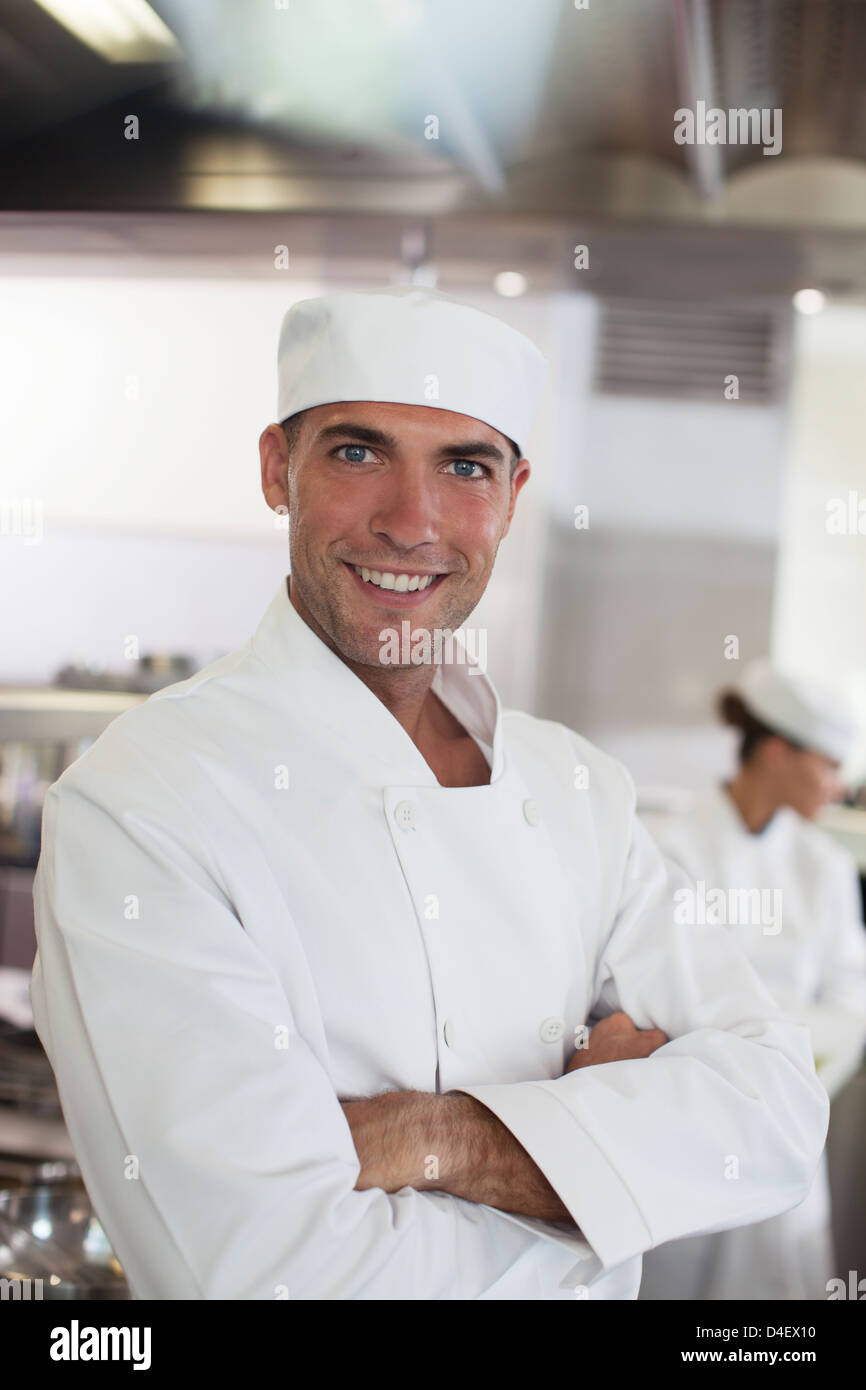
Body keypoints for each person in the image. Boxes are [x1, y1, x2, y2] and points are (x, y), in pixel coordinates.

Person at [30, 288, 828, 1301]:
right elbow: (268, 1275)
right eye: (357, 453)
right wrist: (601, 1182)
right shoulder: (142, 804)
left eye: (463, 466)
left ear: (511, 493)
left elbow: (773, 1119)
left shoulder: (578, 790)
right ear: (278, 469)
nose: (411, 523)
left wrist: (434, 1136)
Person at [639, 661, 866, 1301]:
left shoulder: (824, 867)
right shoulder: (671, 846)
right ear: (775, 752)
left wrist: (761, 1054)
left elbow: (852, 1003)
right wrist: (777, 1034)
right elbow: (661, 1007)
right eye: (827, 765)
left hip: (786, 1131)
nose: (836, 785)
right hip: (687, 1132)